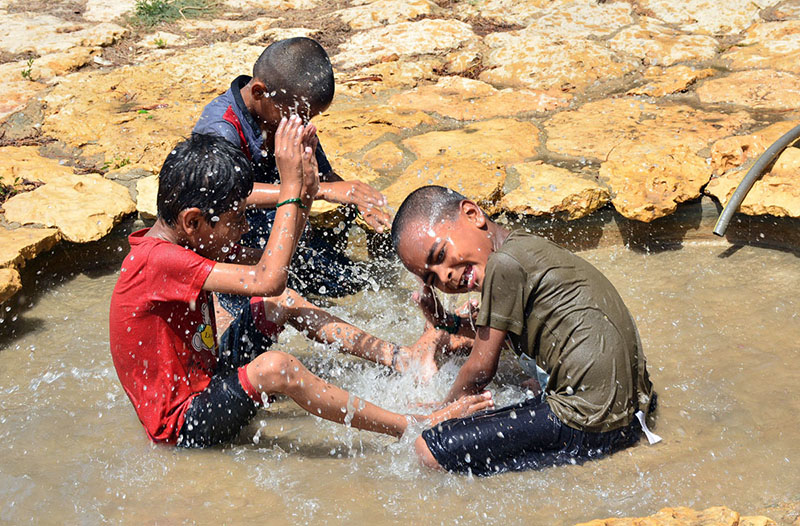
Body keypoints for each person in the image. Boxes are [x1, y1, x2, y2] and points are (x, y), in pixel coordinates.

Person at [108, 130, 491, 448]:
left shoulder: (182, 243)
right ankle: (411, 424)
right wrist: (289, 188)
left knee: (282, 303)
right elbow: (266, 277)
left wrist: (304, 196)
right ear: (193, 221)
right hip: (183, 425)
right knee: (276, 369)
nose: (243, 227)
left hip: (210, 379)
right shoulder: (157, 261)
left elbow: (275, 264)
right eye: (236, 218)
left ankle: (402, 358)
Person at [391, 185, 657, 476]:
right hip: (634, 411)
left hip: (590, 423)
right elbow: (504, 336)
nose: (446, 276)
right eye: (432, 278)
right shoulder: (518, 248)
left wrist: (441, 411)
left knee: (429, 449)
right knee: (522, 388)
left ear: (472, 213)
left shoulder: (503, 265)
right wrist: (450, 324)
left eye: (441, 254)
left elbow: (479, 370)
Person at [193, 36, 389, 312]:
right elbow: (224, 197)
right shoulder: (221, 129)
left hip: (288, 247)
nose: (301, 123)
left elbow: (324, 175)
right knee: (259, 321)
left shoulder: (285, 113)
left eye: (309, 118)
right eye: (297, 115)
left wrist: (357, 200)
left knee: (362, 287)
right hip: (238, 256)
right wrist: (318, 190)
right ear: (260, 92)